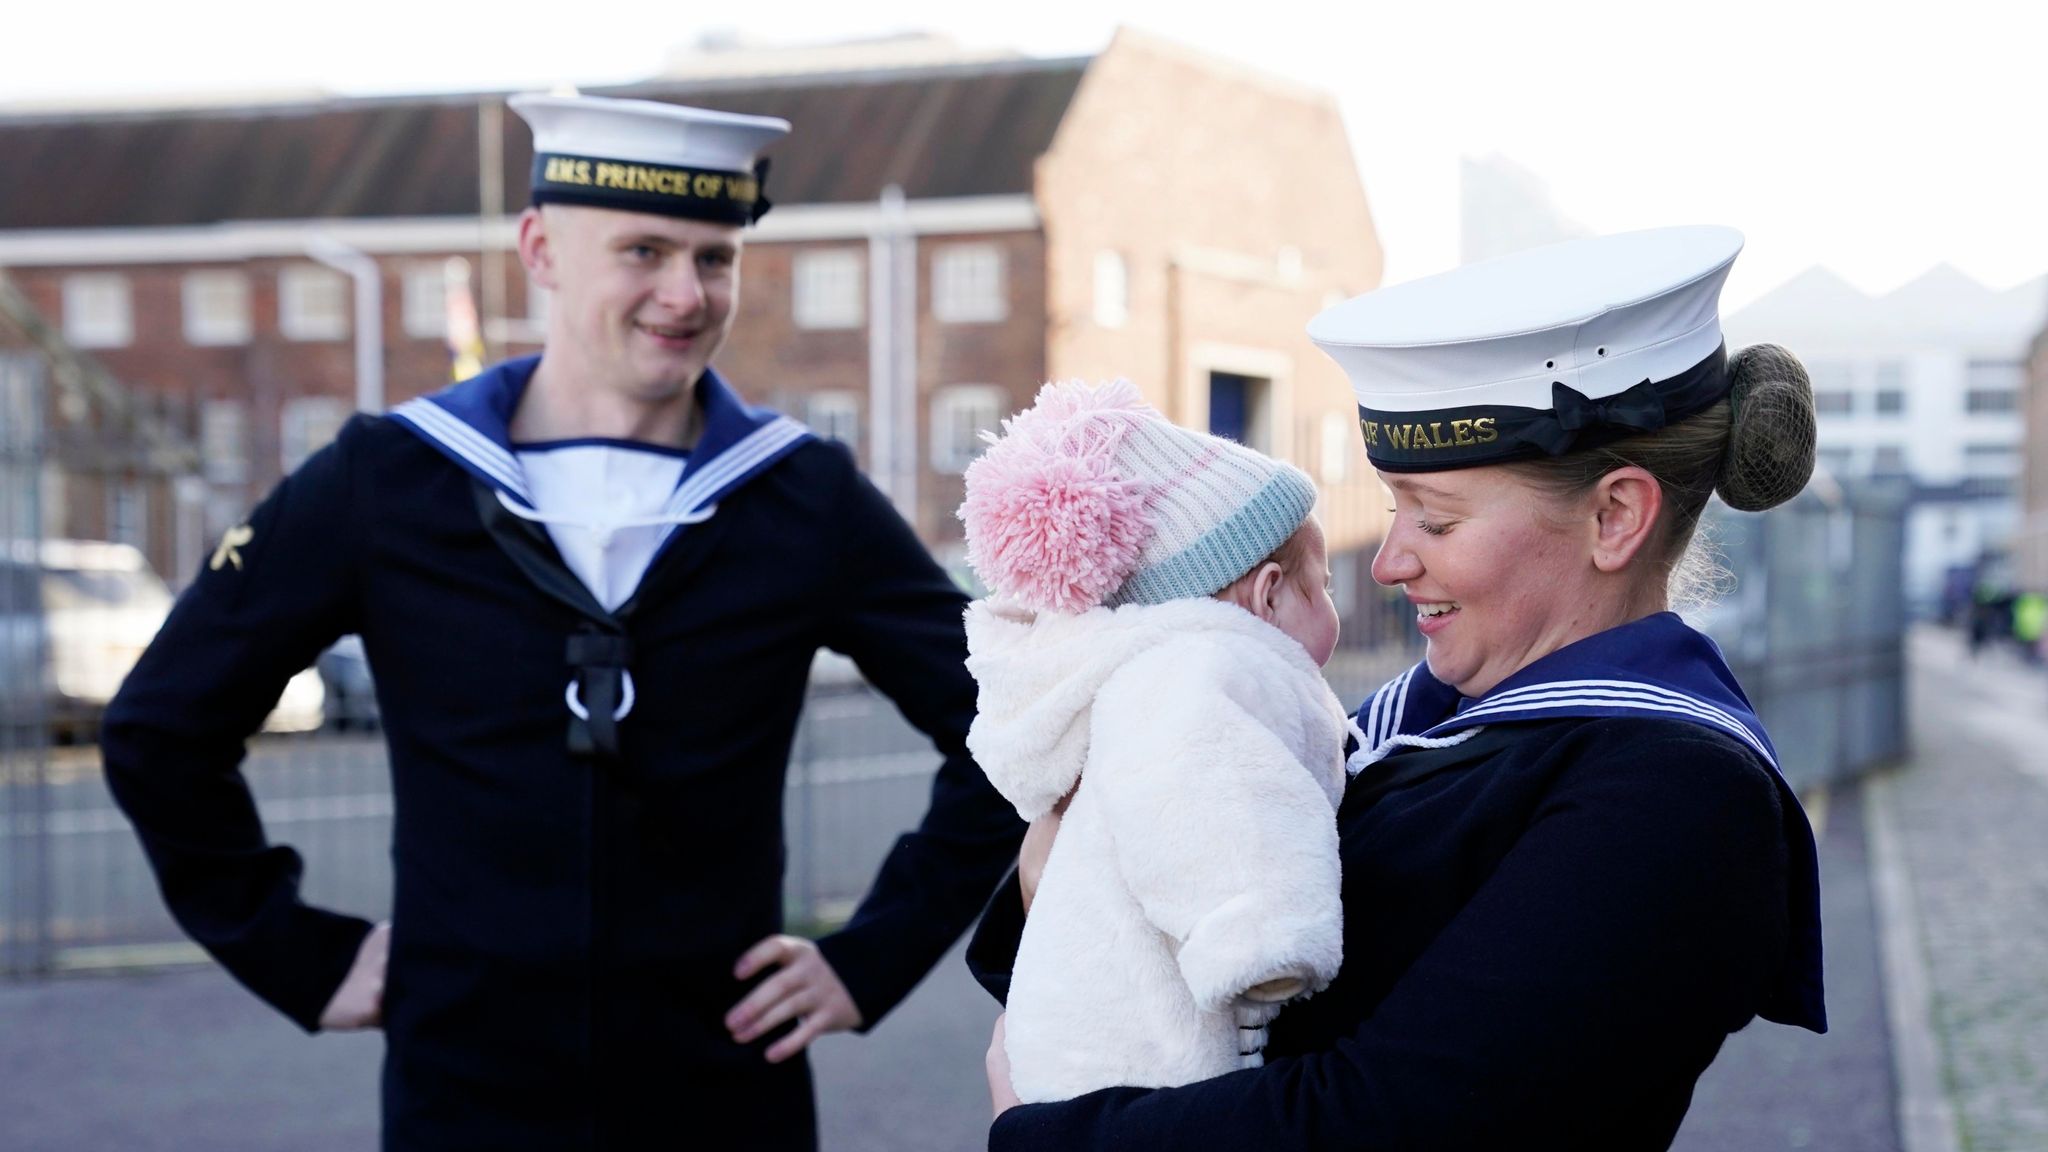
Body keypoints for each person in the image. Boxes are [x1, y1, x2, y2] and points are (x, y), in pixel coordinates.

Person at [101, 93, 1023, 1151]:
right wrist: (296, 952)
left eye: (714, 258)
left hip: (721, 1095)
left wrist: (873, 955)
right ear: (540, 248)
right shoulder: (390, 478)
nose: (685, 294)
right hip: (465, 1096)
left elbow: (1007, 723)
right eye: (643, 251)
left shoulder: (798, 495)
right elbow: (162, 728)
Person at [972, 225, 1828, 1149]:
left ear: (1615, 516)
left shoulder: (1678, 798)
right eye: (1393, 506)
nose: (1387, 562)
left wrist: (1043, 1136)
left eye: (1438, 520)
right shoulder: (1432, 718)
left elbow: (1396, 1120)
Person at [955, 379, 1351, 1103]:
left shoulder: (1149, 678)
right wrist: (1265, 941)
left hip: (1097, 1039)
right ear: (1268, 594)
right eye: (1322, 587)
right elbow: (1215, 802)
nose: (1334, 610)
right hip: (1150, 1058)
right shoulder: (1198, 671)